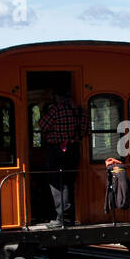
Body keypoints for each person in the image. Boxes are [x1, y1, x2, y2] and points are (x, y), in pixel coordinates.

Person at [38, 91, 88, 226]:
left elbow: (42, 125)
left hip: (57, 150)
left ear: (59, 97)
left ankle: (63, 218)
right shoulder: (81, 111)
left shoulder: (57, 109)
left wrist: (43, 111)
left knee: (57, 183)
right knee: (69, 182)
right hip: (74, 149)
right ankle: (70, 216)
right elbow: (86, 131)